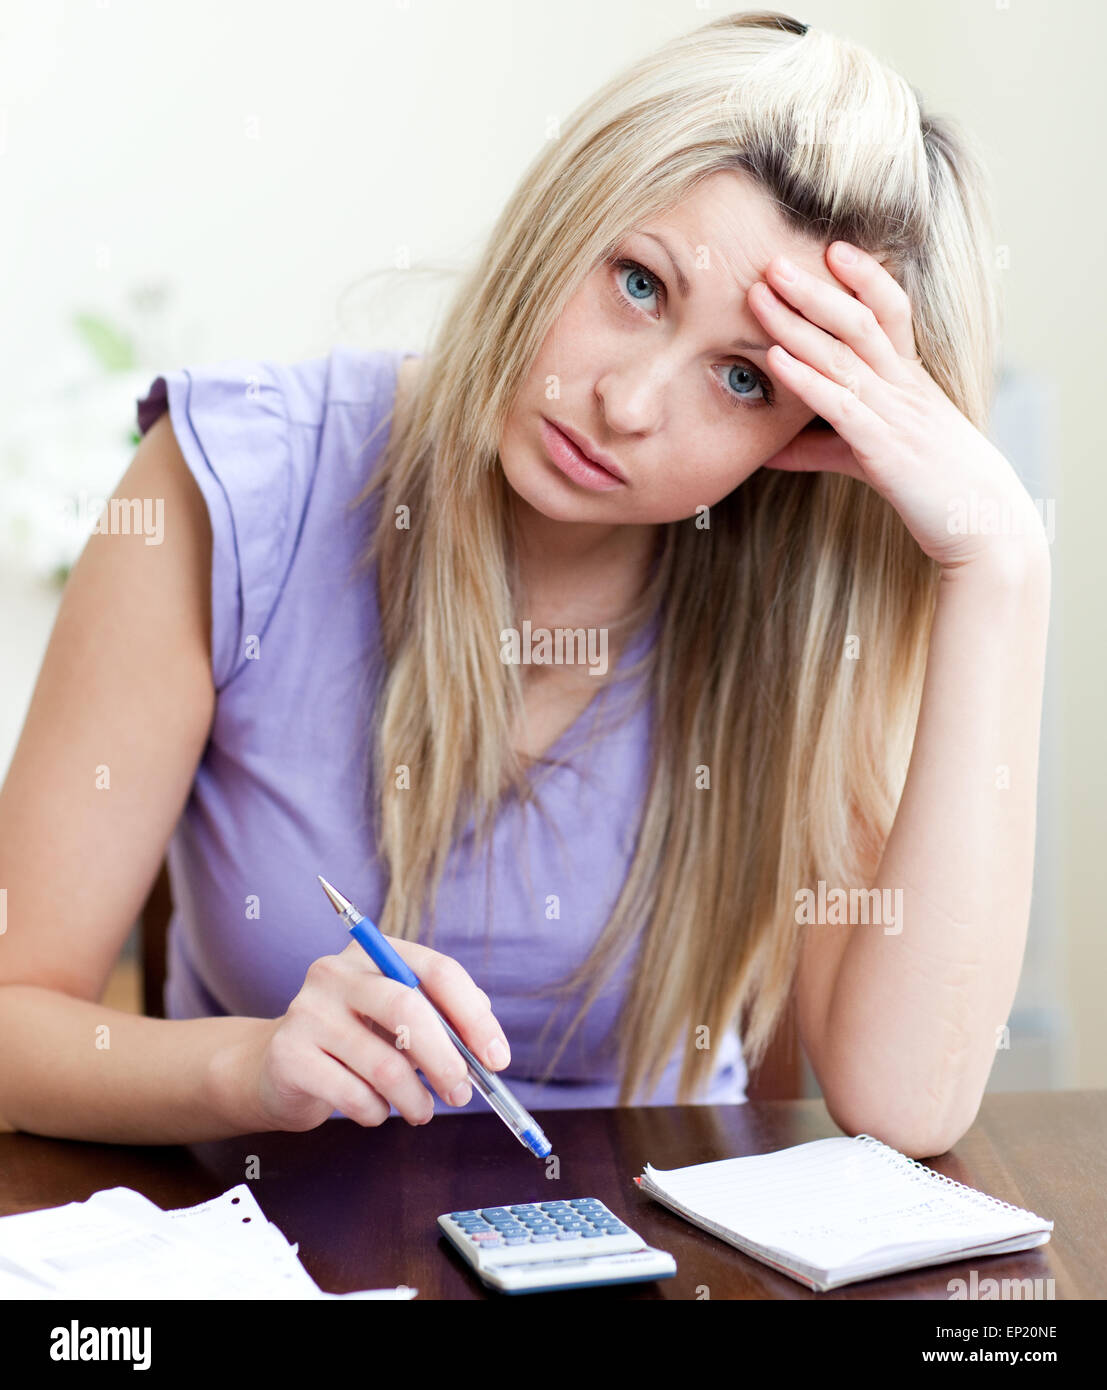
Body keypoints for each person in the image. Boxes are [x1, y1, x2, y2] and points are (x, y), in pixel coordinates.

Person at [0, 10, 1050, 1156]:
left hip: (644, 1255)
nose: (630, 403)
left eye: (745, 378)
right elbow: (15, 1019)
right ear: (565, 214)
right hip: (276, 1241)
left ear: (808, 433)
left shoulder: (793, 605)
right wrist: (248, 1067)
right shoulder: (235, 486)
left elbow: (911, 1105)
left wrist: (1001, 564)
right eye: (640, 283)